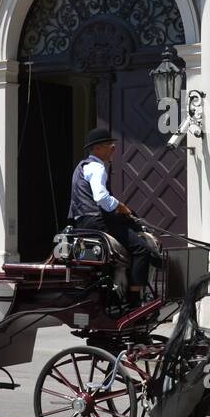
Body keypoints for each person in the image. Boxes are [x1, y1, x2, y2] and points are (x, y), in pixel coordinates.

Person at [67, 127, 152, 308]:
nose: (113, 149)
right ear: (97, 149)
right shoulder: (97, 167)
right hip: (96, 221)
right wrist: (120, 206)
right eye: (110, 146)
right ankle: (134, 299)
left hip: (81, 222)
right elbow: (101, 198)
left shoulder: (80, 167)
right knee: (141, 249)